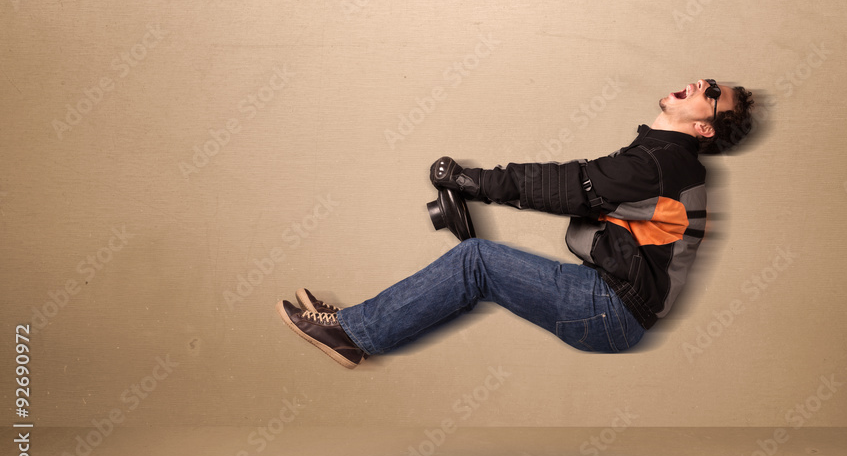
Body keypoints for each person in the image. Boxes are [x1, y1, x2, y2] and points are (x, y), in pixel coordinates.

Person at [276, 79, 755, 368]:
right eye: (705, 80)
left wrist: (473, 182)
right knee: (476, 263)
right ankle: (354, 325)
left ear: (705, 128)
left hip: (611, 311)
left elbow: (570, 185)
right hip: (610, 302)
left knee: (476, 261)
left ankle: (350, 334)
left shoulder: (663, 164)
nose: (698, 83)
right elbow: (587, 195)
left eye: (711, 93)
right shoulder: (661, 159)